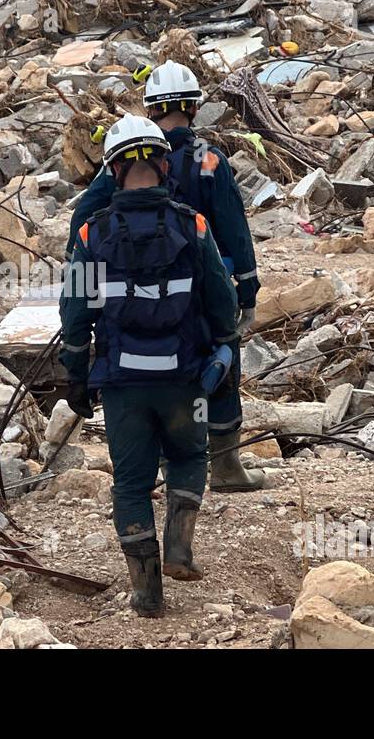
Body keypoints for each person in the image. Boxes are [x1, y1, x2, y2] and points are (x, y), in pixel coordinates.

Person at [59, 115, 240, 618]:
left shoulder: (92, 234)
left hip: (123, 385)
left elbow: (75, 311)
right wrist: (226, 354)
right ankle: (179, 544)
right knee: (188, 456)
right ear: (164, 164)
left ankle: (146, 591)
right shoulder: (194, 225)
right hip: (185, 380)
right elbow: (222, 305)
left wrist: (74, 372)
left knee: (131, 483)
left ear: (113, 171)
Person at [67, 61, 267, 492]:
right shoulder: (208, 159)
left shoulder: (122, 160)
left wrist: (82, 273)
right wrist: (247, 290)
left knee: (150, 363)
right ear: (195, 106)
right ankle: (226, 468)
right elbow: (234, 229)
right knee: (219, 364)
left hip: (136, 292)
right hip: (202, 290)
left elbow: (83, 218)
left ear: (151, 107)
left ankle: (160, 465)